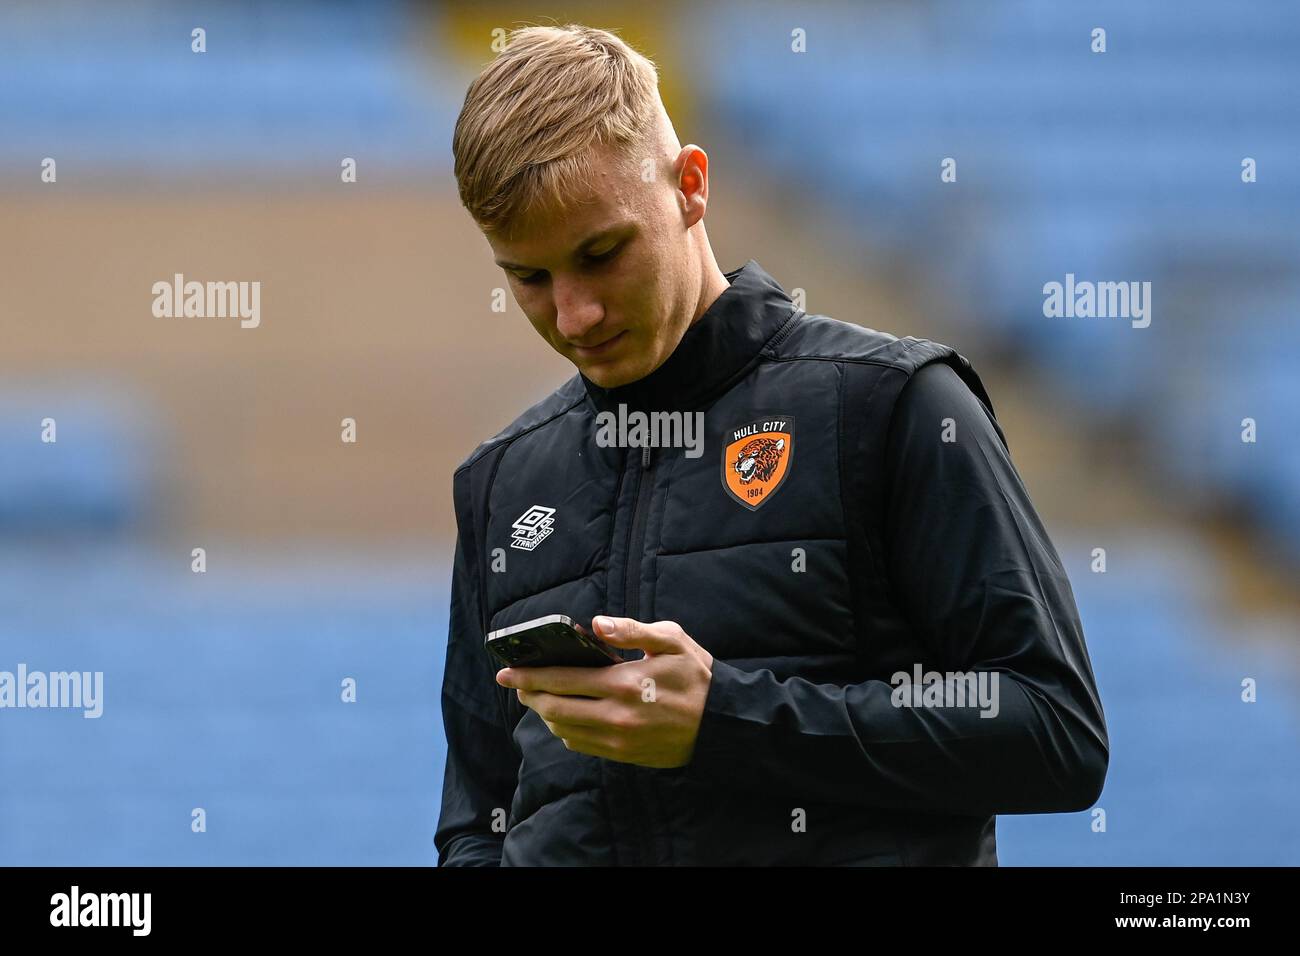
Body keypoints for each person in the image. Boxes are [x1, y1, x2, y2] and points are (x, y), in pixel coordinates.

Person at [435, 23, 1108, 866]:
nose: (574, 316)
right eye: (528, 278)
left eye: (601, 253)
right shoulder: (502, 482)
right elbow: (476, 820)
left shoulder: (893, 405)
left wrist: (725, 719)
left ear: (690, 186)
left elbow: (1056, 734)